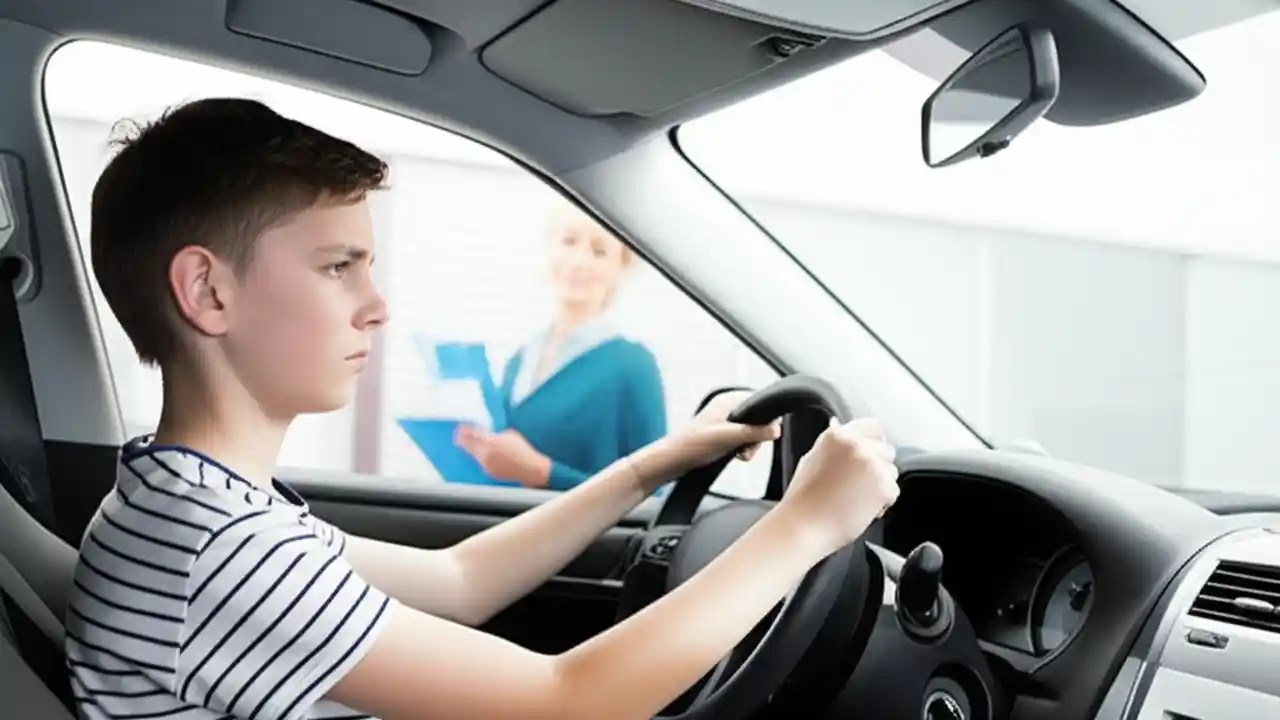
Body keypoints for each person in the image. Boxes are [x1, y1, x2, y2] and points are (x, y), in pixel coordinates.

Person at [68, 98, 900, 720]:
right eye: (338, 267)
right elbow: (564, 704)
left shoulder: (196, 506)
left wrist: (652, 464)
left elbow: (457, 582)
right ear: (208, 291)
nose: (376, 305)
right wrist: (805, 528)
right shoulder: (219, 552)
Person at [454, 203, 666, 491]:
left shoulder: (633, 365)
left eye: (599, 251)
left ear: (622, 267)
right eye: (569, 242)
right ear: (549, 248)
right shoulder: (520, 360)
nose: (579, 260)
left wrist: (543, 472)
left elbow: (652, 493)